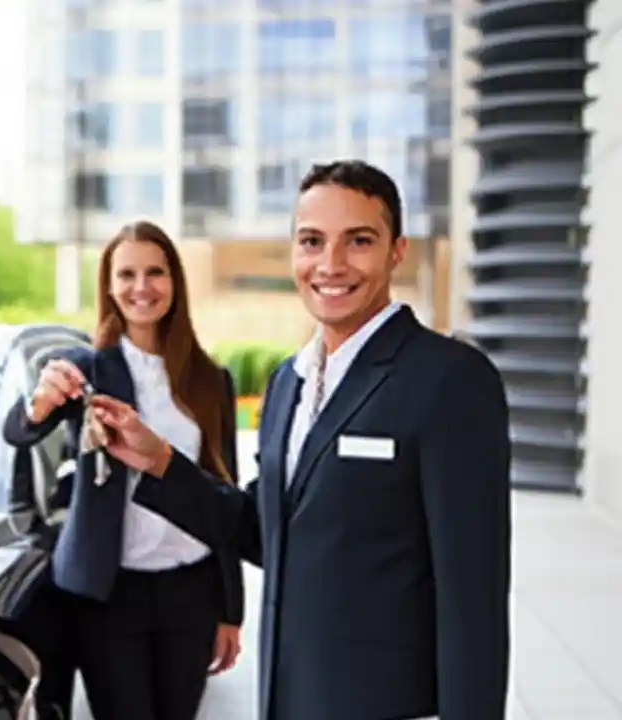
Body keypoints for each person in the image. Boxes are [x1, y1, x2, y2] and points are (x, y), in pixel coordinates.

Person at [89, 160, 512, 720]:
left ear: (396, 251)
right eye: (312, 241)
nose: (331, 264)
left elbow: (473, 599)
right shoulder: (288, 383)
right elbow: (271, 533)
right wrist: (159, 460)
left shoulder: (449, 380)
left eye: (358, 241)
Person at [3, 220, 244, 719]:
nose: (141, 287)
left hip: (191, 593)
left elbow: (225, 496)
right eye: (126, 274)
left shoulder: (209, 379)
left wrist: (229, 611)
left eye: (155, 272)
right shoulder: (85, 370)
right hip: (111, 595)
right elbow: (19, 434)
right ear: (109, 286)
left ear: (175, 282)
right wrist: (39, 402)